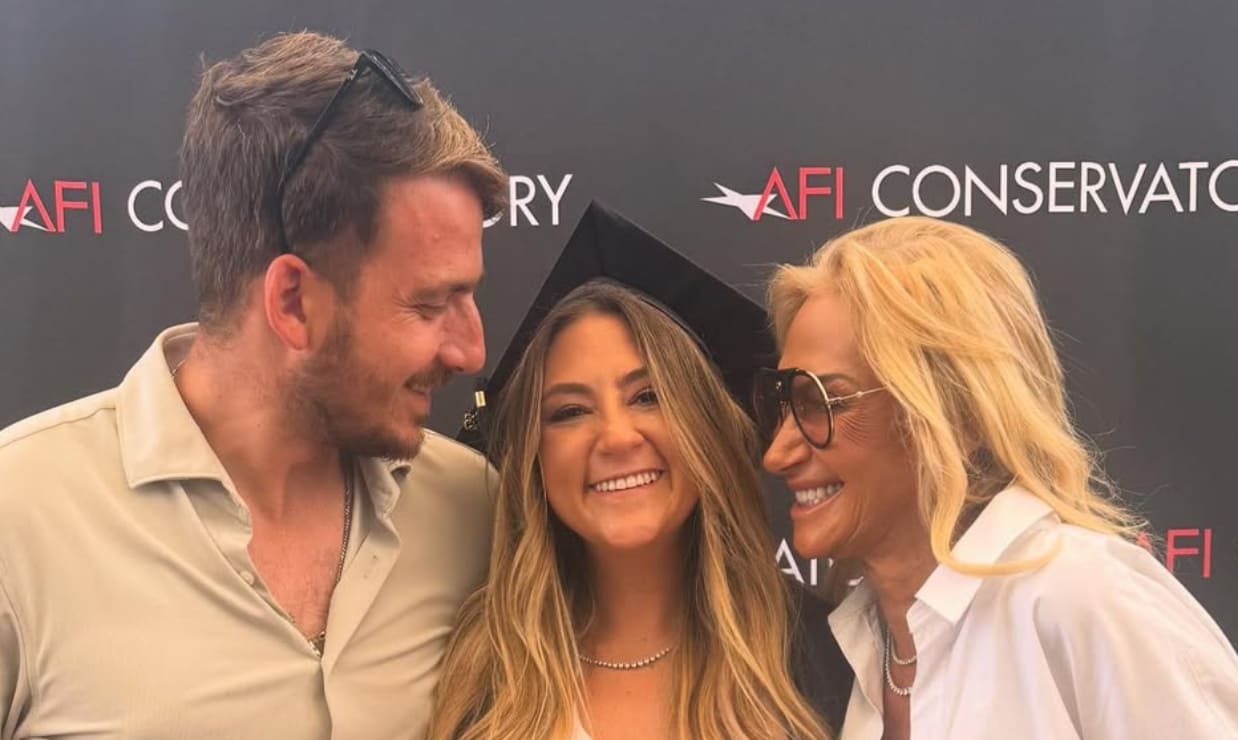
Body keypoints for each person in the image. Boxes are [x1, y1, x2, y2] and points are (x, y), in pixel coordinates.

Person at [0, 31, 507, 739]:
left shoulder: (475, 511)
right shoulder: (18, 518)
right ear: (293, 302)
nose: (472, 348)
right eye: (428, 305)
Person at [755, 215, 1238, 740]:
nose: (778, 454)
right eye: (784, 404)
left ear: (956, 412)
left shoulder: (1080, 598)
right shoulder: (855, 649)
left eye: (820, 403)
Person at [429, 202, 851, 740]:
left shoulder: (825, 659)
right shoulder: (476, 673)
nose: (617, 436)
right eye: (569, 412)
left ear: (706, 425)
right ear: (534, 457)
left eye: (649, 397)